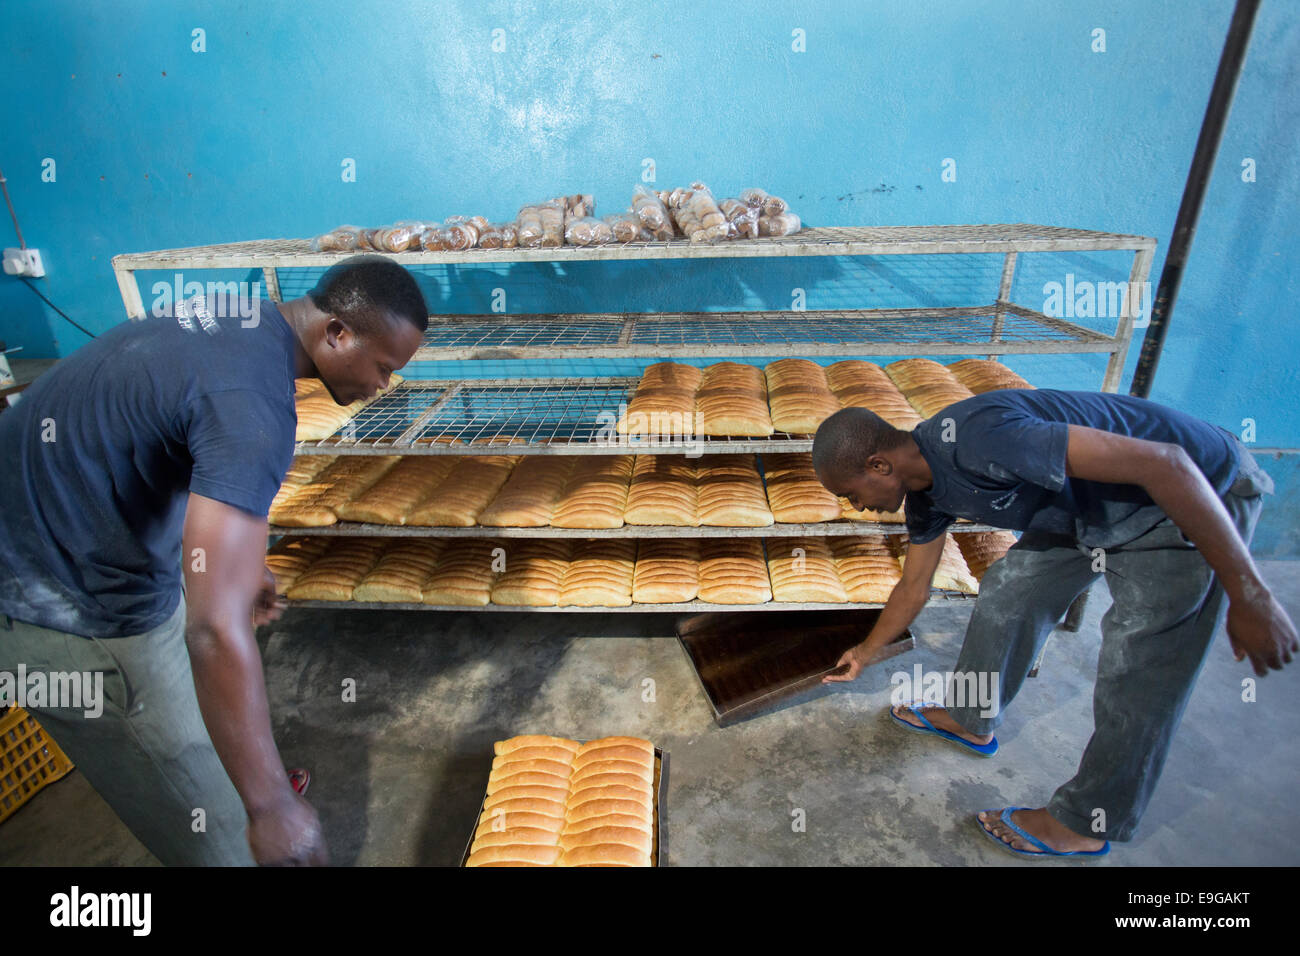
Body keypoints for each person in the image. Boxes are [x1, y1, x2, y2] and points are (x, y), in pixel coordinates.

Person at [0, 255, 427, 865]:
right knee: (226, 838)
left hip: (60, 533)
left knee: (214, 714)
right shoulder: (253, 407)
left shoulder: (240, 322)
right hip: (60, 599)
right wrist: (270, 805)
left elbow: (163, 436)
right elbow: (214, 630)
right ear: (337, 333)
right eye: (385, 368)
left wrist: (240, 561)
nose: (385, 386)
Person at [812, 388, 1297, 858]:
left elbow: (1167, 462)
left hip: (1186, 498)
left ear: (879, 465)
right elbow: (914, 586)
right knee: (1009, 591)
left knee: (1140, 666)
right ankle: (969, 718)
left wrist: (1249, 593)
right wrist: (867, 651)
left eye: (850, 493)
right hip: (1087, 514)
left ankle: (1084, 824)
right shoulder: (926, 494)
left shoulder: (980, 439)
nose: (856, 507)